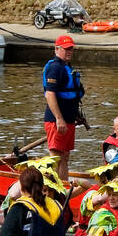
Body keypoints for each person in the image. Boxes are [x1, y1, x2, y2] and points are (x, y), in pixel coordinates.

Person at [43, 33, 84, 183]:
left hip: (69, 119)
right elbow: (50, 94)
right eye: (66, 49)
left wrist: (76, 115)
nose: (69, 52)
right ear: (56, 49)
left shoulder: (67, 67)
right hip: (57, 121)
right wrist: (59, 119)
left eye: (71, 49)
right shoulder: (55, 68)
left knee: (65, 156)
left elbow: (71, 95)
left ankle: (64, 187)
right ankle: (52, 190)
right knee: (55, 158)